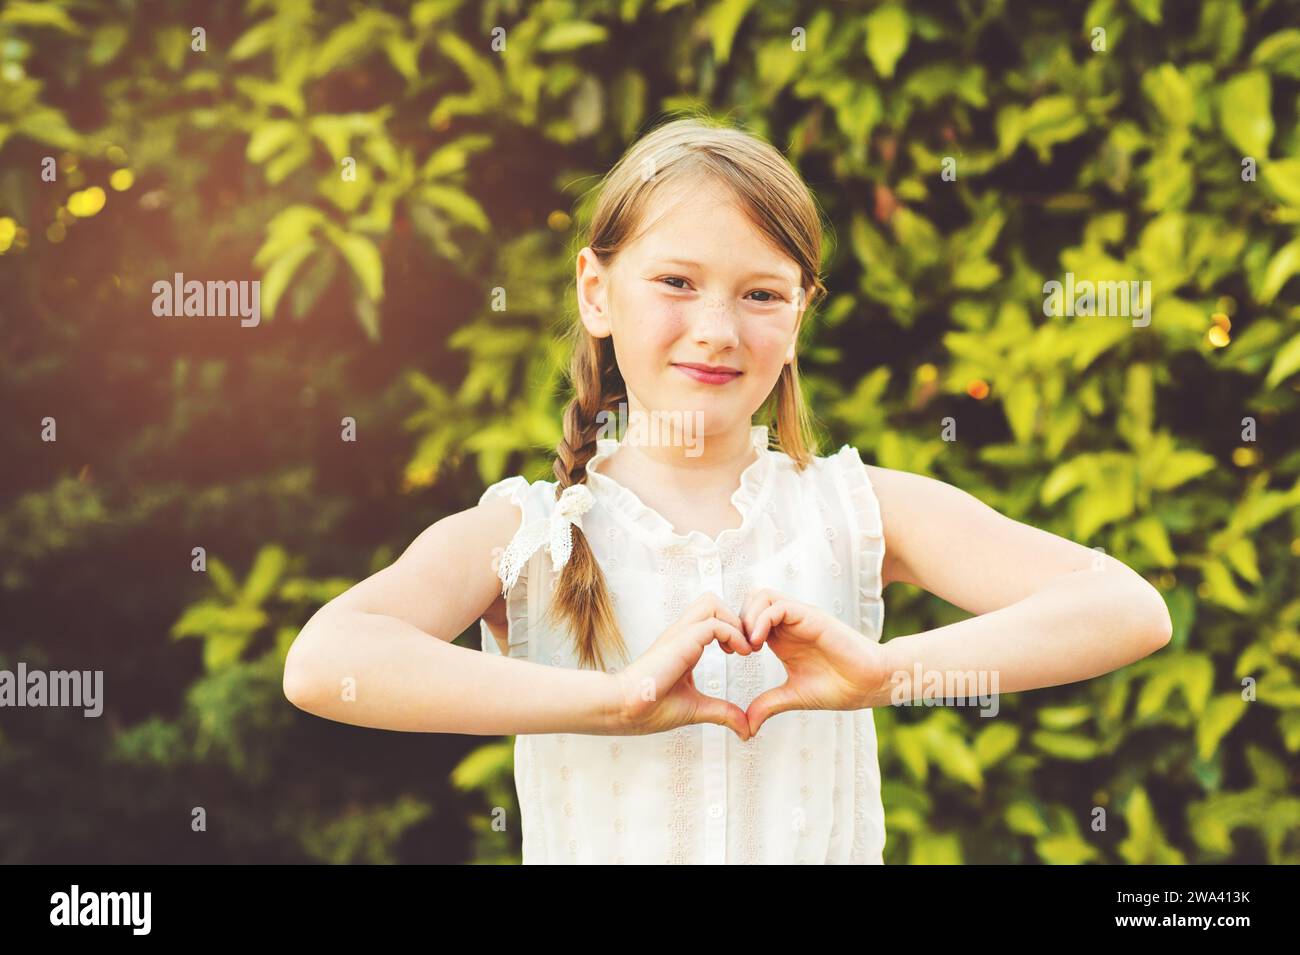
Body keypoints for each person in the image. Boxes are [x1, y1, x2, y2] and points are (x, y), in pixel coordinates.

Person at [283, 114, 1173, 864]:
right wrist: (614, 701)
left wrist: (882, 675)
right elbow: (328, 663)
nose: (715, 329)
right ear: (597, 291)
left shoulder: (856, 509)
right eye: (676, 281)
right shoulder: (528, 530)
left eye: (761, 294)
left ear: (798, 317)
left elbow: (1126, 607)